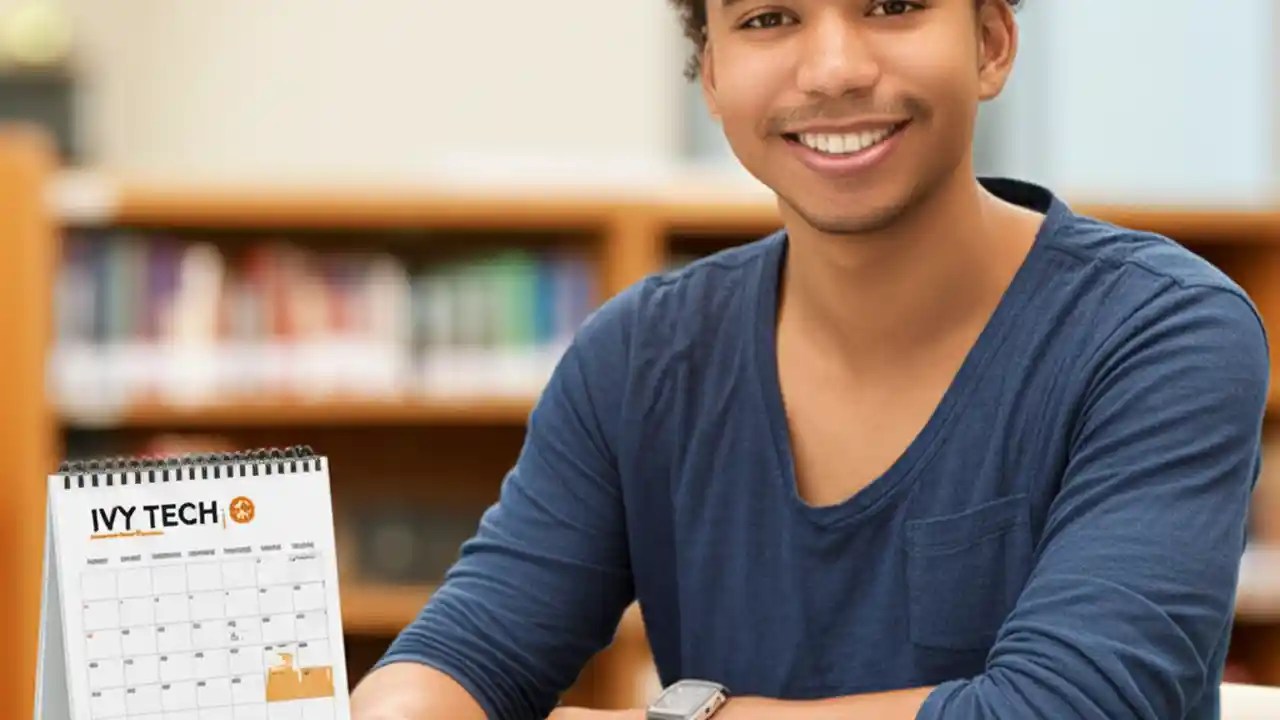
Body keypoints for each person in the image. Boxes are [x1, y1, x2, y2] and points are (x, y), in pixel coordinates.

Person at [350, 0, 1269, 718]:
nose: (833, 69)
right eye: (767, 20)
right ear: (711, 75)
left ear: (990, 43)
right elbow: (473, 655)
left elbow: (1076, 708)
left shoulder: (1158, 331)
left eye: (894, 5)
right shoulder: (638, 357)